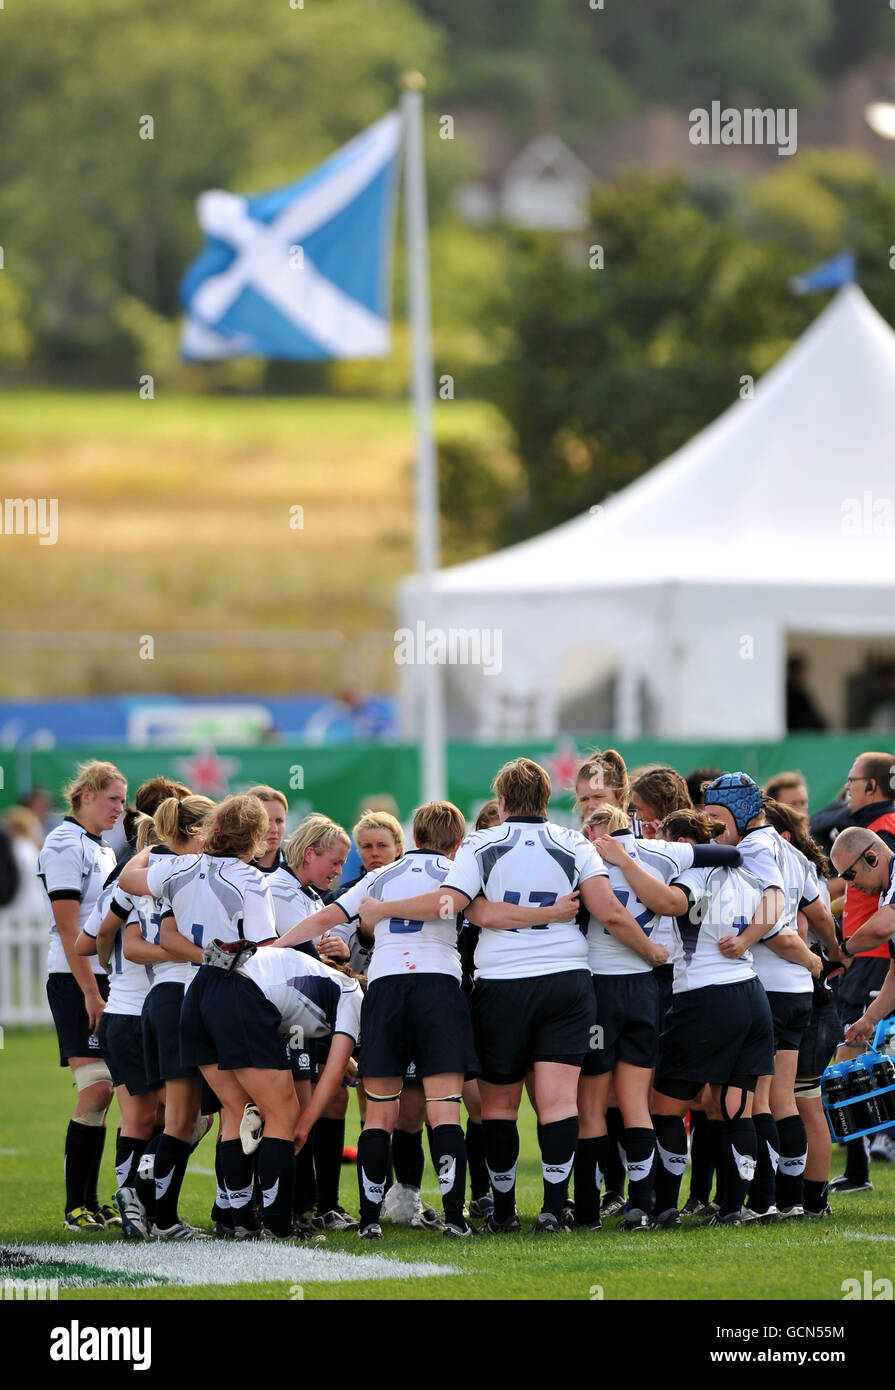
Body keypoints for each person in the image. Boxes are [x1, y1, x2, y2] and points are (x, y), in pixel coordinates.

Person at [355, 758, 665, 1235]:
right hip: (567, 978)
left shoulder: (482, 843)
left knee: (498, 1106)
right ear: (546, 800)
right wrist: (651, 952)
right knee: (561, 1102)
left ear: (500, 802)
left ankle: (502, 1211)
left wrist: (384, 908)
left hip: (502, 984)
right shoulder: (574, 841)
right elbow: (611, 912)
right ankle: (552, 1210)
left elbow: (456, 907)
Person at [584, 805, 742, 1229]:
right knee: (639, 1102)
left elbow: (610, 913)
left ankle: (584, 1208)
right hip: (645, 989)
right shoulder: (663, 854)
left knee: (592, 1105)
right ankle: (642, 1205)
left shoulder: (581, 853)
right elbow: (731, 856)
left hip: (601, 988)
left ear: (593, 829)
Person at [706, 775, 843, 1219]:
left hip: (765, 987)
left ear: (741, 811)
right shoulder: (792, 851)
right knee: (783, 1100)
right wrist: (834, 955)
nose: (712, 826)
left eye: (716, 816)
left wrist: (801, 956)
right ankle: (790, 1199)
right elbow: (819, 913)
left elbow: (775, 924)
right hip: (798, 992)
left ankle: (763, 1199)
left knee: (759, 1101)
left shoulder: (752, 850)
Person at [118, 793, 216, 1238]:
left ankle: (157, 1211)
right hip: (185, 994)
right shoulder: (195, 868)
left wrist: (151, 845)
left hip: (161, 996)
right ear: (196, 832)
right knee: (183, 1119)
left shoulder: (153, 868)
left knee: (188, 1116)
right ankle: (146, 1198)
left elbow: (126, 887)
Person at [37, 760, 127, 1232]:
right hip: (75, 981)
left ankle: (95, 1201)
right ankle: (76, 1205)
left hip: (103, 978)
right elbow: (69, 927)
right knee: (95, 1088)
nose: (120, 808)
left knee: (110, 1089)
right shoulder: (63, 844)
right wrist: (92, 991)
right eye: (113, 798)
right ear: (87, 794)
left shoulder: (102, 847)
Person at [73, 814, 167, 1239]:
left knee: (142, 1118)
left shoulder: (123, 882)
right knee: (185, 1119)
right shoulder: (164, 878)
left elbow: (84, 943)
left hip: (125, 1012)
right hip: (145, 1013)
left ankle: (136, 1204)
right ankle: (144, 1203)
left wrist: (110, 951)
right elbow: (94, 944)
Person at [827, 751, 895, 1191]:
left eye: (850, 877)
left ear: (871, 858)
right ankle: (859, 1167)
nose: (851, 889)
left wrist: (842, 951)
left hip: (863, 966)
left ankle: (861, 1166)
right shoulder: (888, 886)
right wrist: (868, 1021)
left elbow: (887, 926)